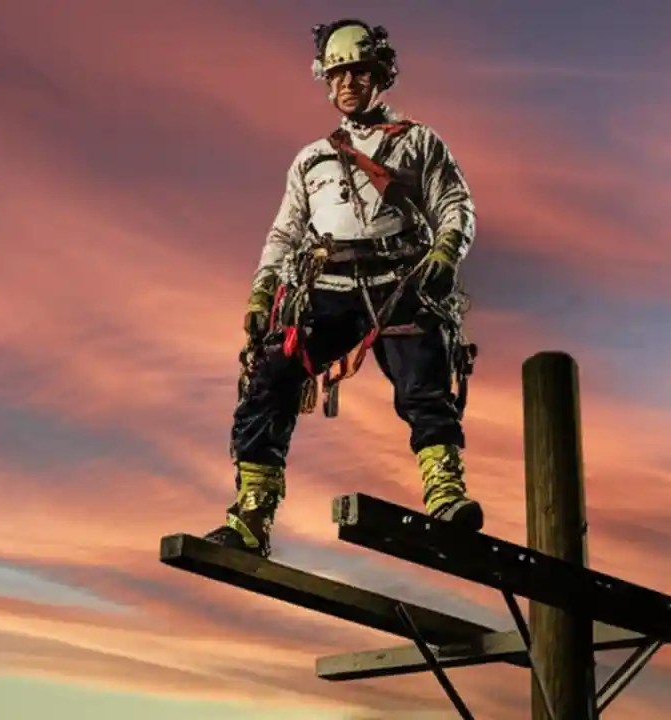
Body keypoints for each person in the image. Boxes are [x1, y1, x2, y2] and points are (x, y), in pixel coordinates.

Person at [202, 18, 482, 557]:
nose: (348, 83)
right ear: (326, 83)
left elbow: (455, 205)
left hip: (401, 283)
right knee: (271, 378)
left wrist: (447, 251)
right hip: (326, 286)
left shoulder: (419, 142)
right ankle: (252, 517)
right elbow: (285, 230)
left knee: (424, 388)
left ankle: (446, 496)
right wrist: (262, 289)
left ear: (380, 75)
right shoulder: (310, 159)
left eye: (358, 72)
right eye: (338, 75)